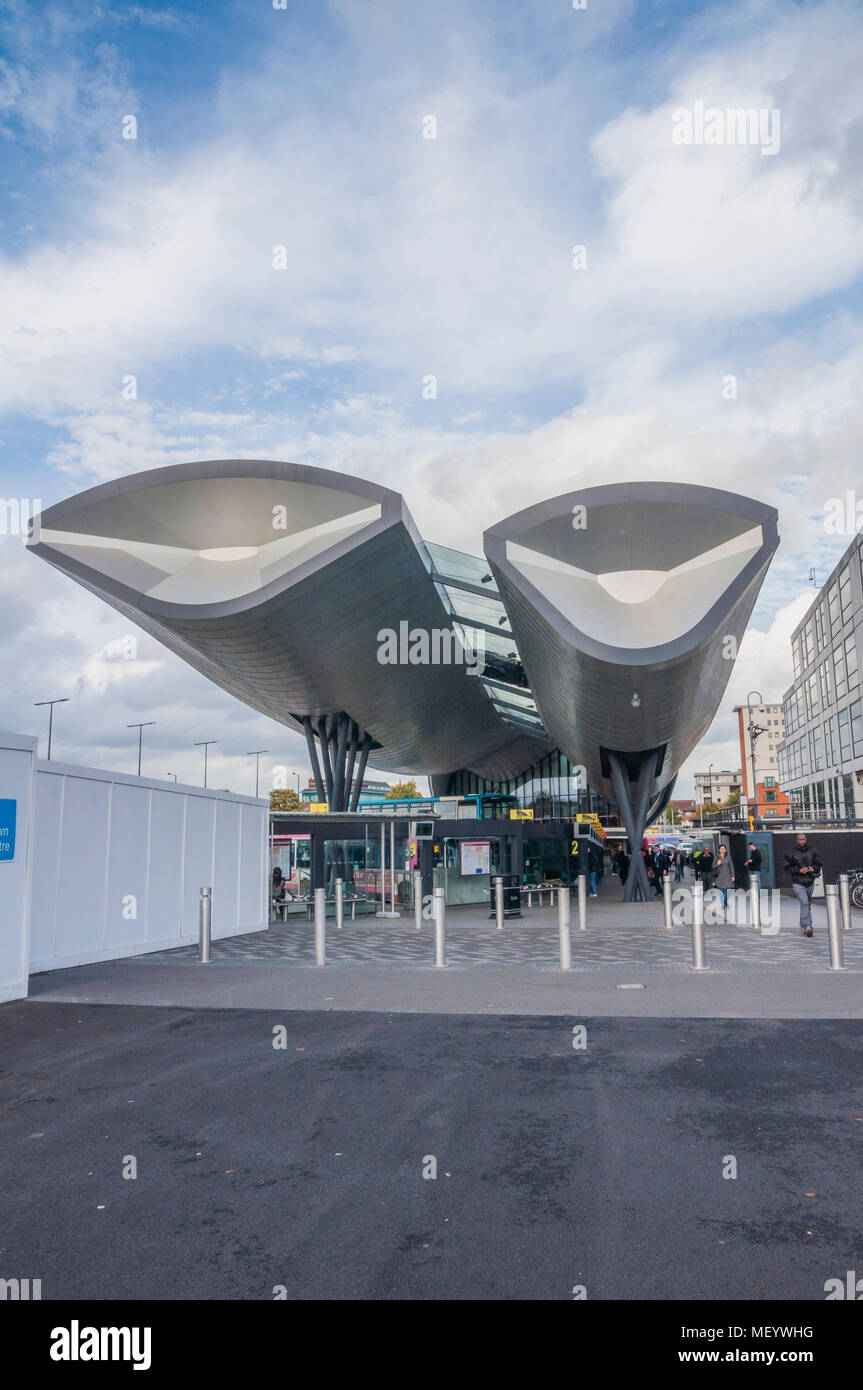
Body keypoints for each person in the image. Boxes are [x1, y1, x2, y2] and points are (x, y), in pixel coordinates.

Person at [785, 833, 822, 937]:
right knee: (805, 902)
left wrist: (811, 868)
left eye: (803, 839)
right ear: (797, 841)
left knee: (807, 904)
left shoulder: (813, 850)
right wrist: (799, 870)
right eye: (800, 840)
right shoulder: (791, 852)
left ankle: (803, 924)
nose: (802, 841)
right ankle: (808, 926)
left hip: (810, 881)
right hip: (798, 882)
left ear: (806, 840)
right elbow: (787, 868)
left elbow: (818, 865)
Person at [714, 844, 734, 916]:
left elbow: (731, 866)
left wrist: (733, 875)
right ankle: (723, 904)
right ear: (719, 850)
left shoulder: (728, 857)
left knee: (728, 890)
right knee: (721, 890)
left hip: (728, 875)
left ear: (725, 850)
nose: (723, 850)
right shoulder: (716, 857)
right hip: (720, 876)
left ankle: (725, 902)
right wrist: (717, 864)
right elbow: (713, 866)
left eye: (724, 849)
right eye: (721, 849)